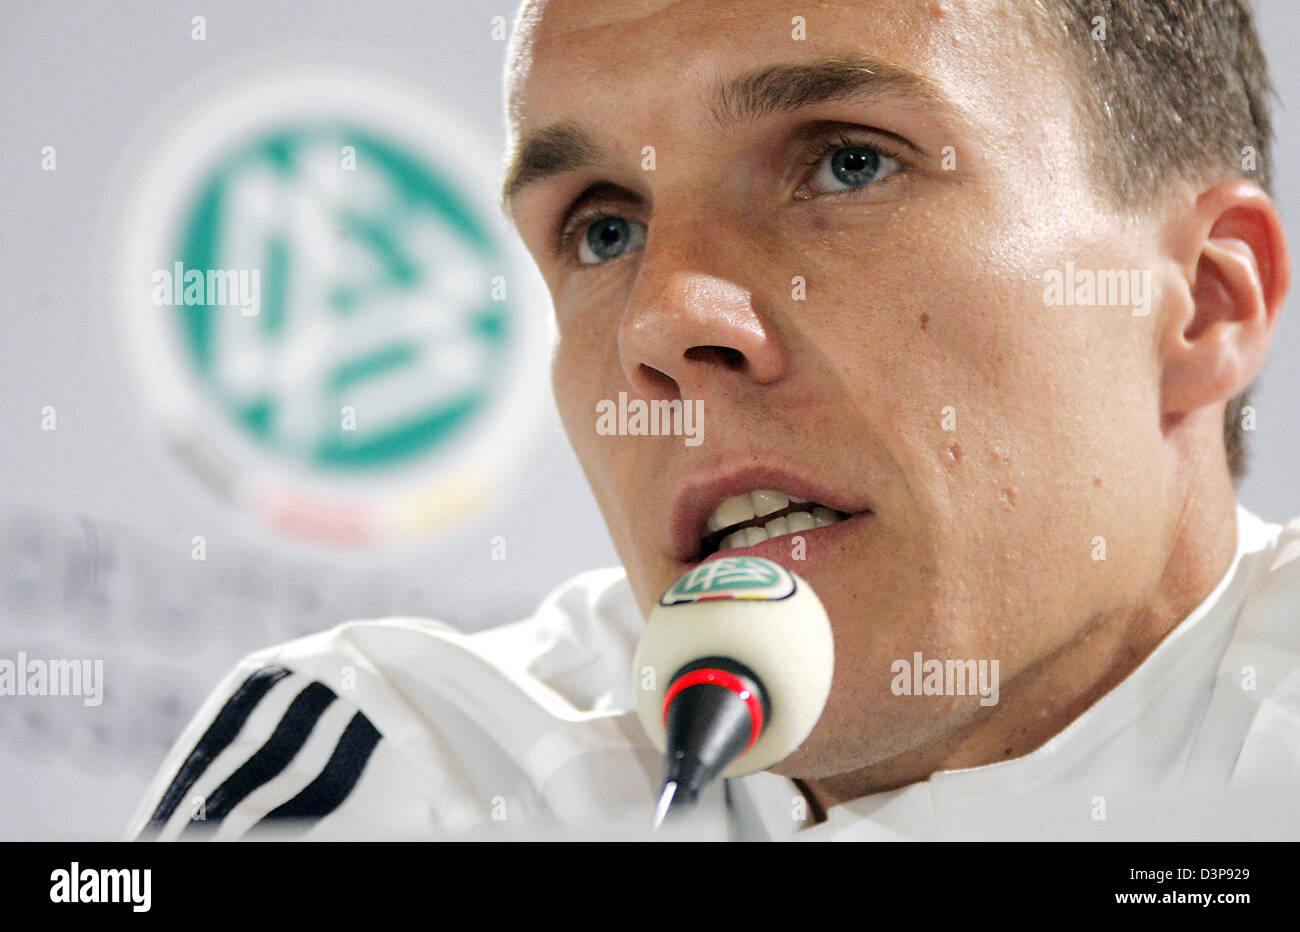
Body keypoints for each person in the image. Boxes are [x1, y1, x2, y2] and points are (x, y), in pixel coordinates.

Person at [127, 0, 1300, 841]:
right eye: (603, 227)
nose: (662, 318)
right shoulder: (414, 766)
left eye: (847, 163)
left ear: (1201, 300)